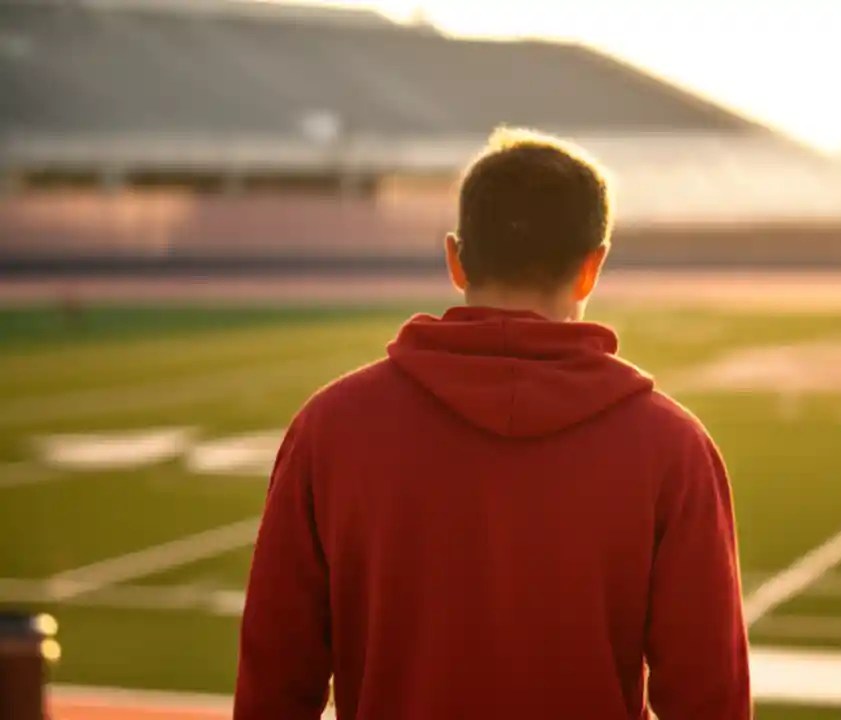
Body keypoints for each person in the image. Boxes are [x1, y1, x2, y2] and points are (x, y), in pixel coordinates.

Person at [234, 129, 751, 720]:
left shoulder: (329, 429)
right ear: (593, 268)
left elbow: (273, 685)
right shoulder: (673, 449)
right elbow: (711, 702)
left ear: (456, 258)